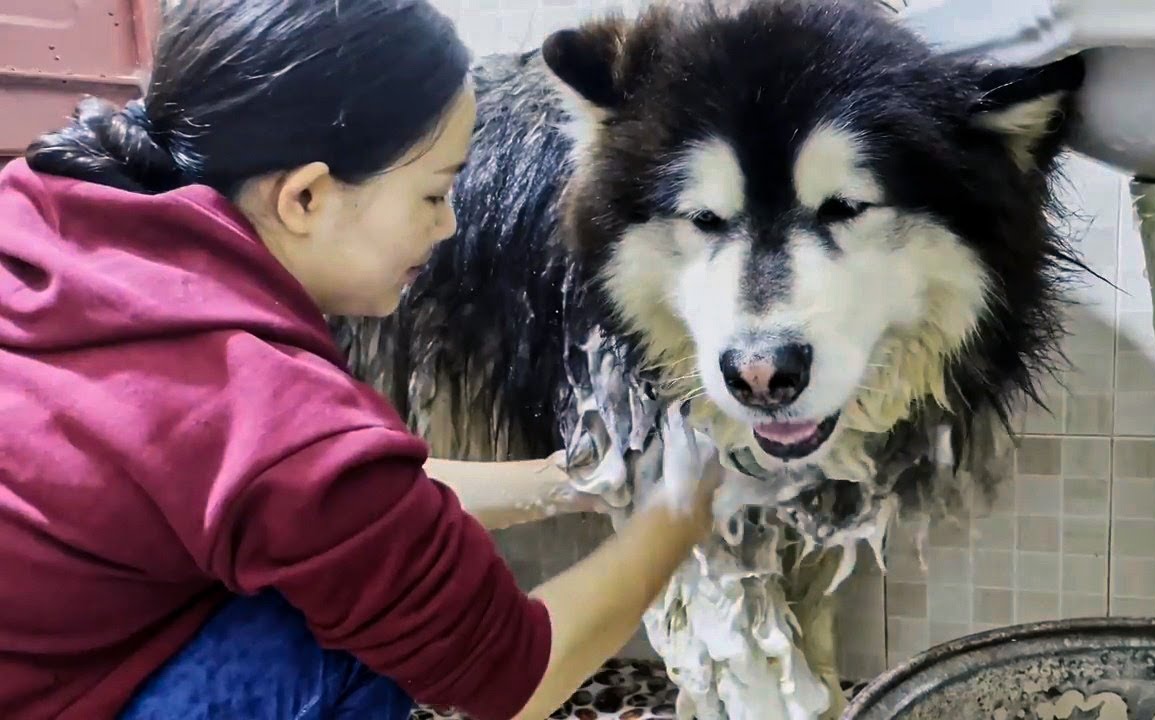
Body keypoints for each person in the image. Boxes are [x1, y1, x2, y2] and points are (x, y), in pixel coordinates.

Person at [0, 1, 724, 719]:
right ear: (306, 198)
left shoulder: (44, 210)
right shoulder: (276, 414)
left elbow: (308, 506)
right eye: (436, 193)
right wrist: (677, 515)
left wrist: (571, 481)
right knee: (351, 644)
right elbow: (517, 677)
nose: (449, 225)